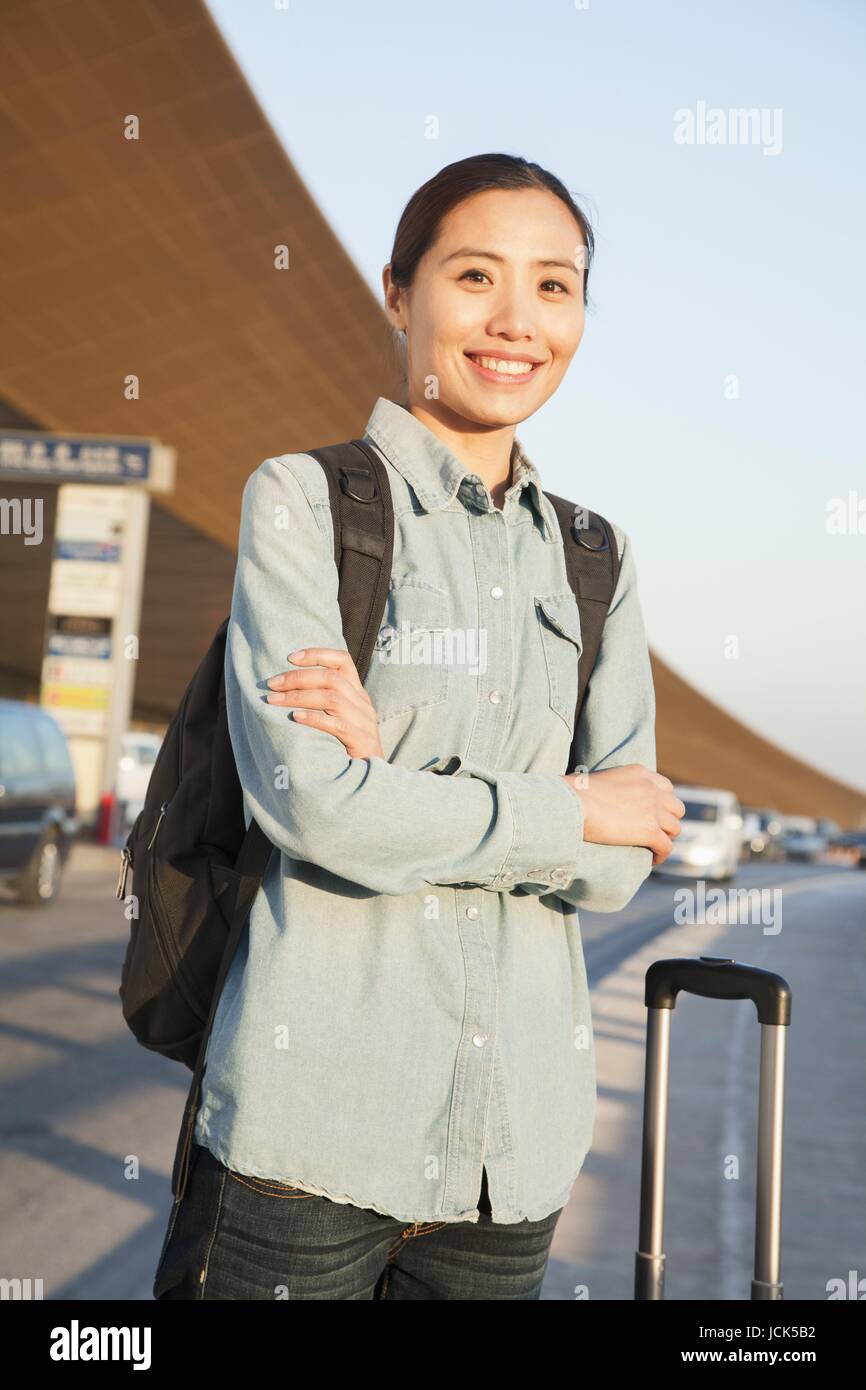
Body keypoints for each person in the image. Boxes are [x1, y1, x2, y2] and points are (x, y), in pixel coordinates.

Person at [153, 152, 684, 1301]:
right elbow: (310, 803)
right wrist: (569, 806)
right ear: (398, 292)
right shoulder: (303, 500)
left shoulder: (597, 559)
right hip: (305, 1154)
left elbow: (614, 870)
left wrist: (388, 771)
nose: (514, 321)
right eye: (475, 275)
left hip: (515, 1166)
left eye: (554, 285)